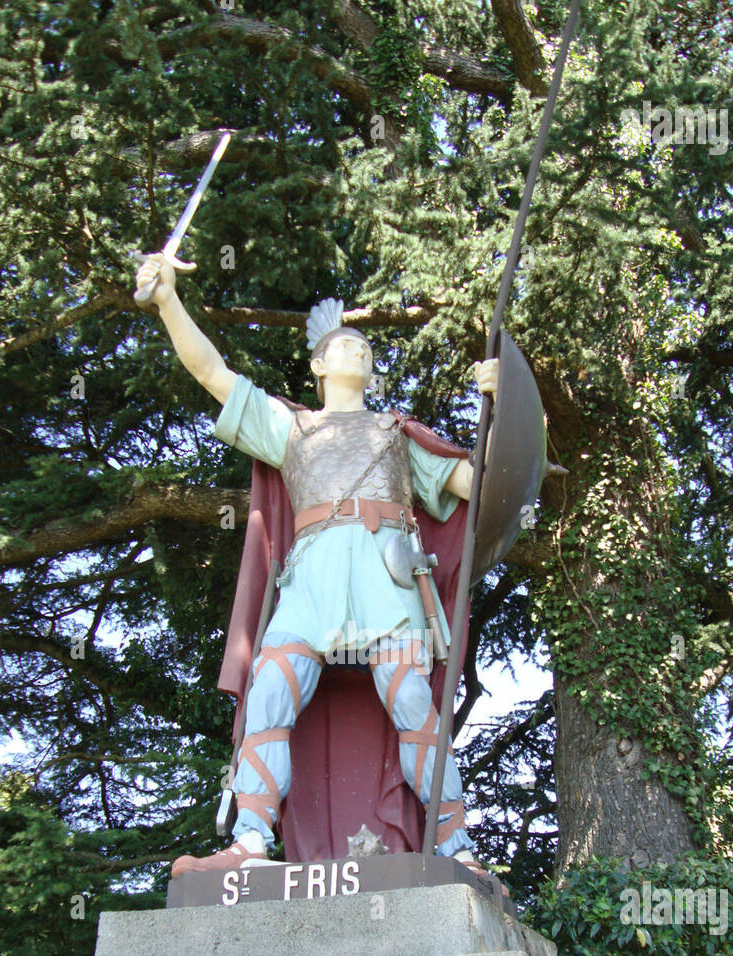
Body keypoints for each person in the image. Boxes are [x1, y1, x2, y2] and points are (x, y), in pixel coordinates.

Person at [135, 257, 499, 879]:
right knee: (270, 691)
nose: (355, 348)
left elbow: (483, 486)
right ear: (318, 366)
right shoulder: (292, 429)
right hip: (311, 582)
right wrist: (169, 300)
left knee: (412, 700)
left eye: (363, 344)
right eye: (342, 344)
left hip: (387, 581)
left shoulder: (398, 435)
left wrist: (502, 408)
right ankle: (250, 841)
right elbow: (212, 373)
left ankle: (454, 845)